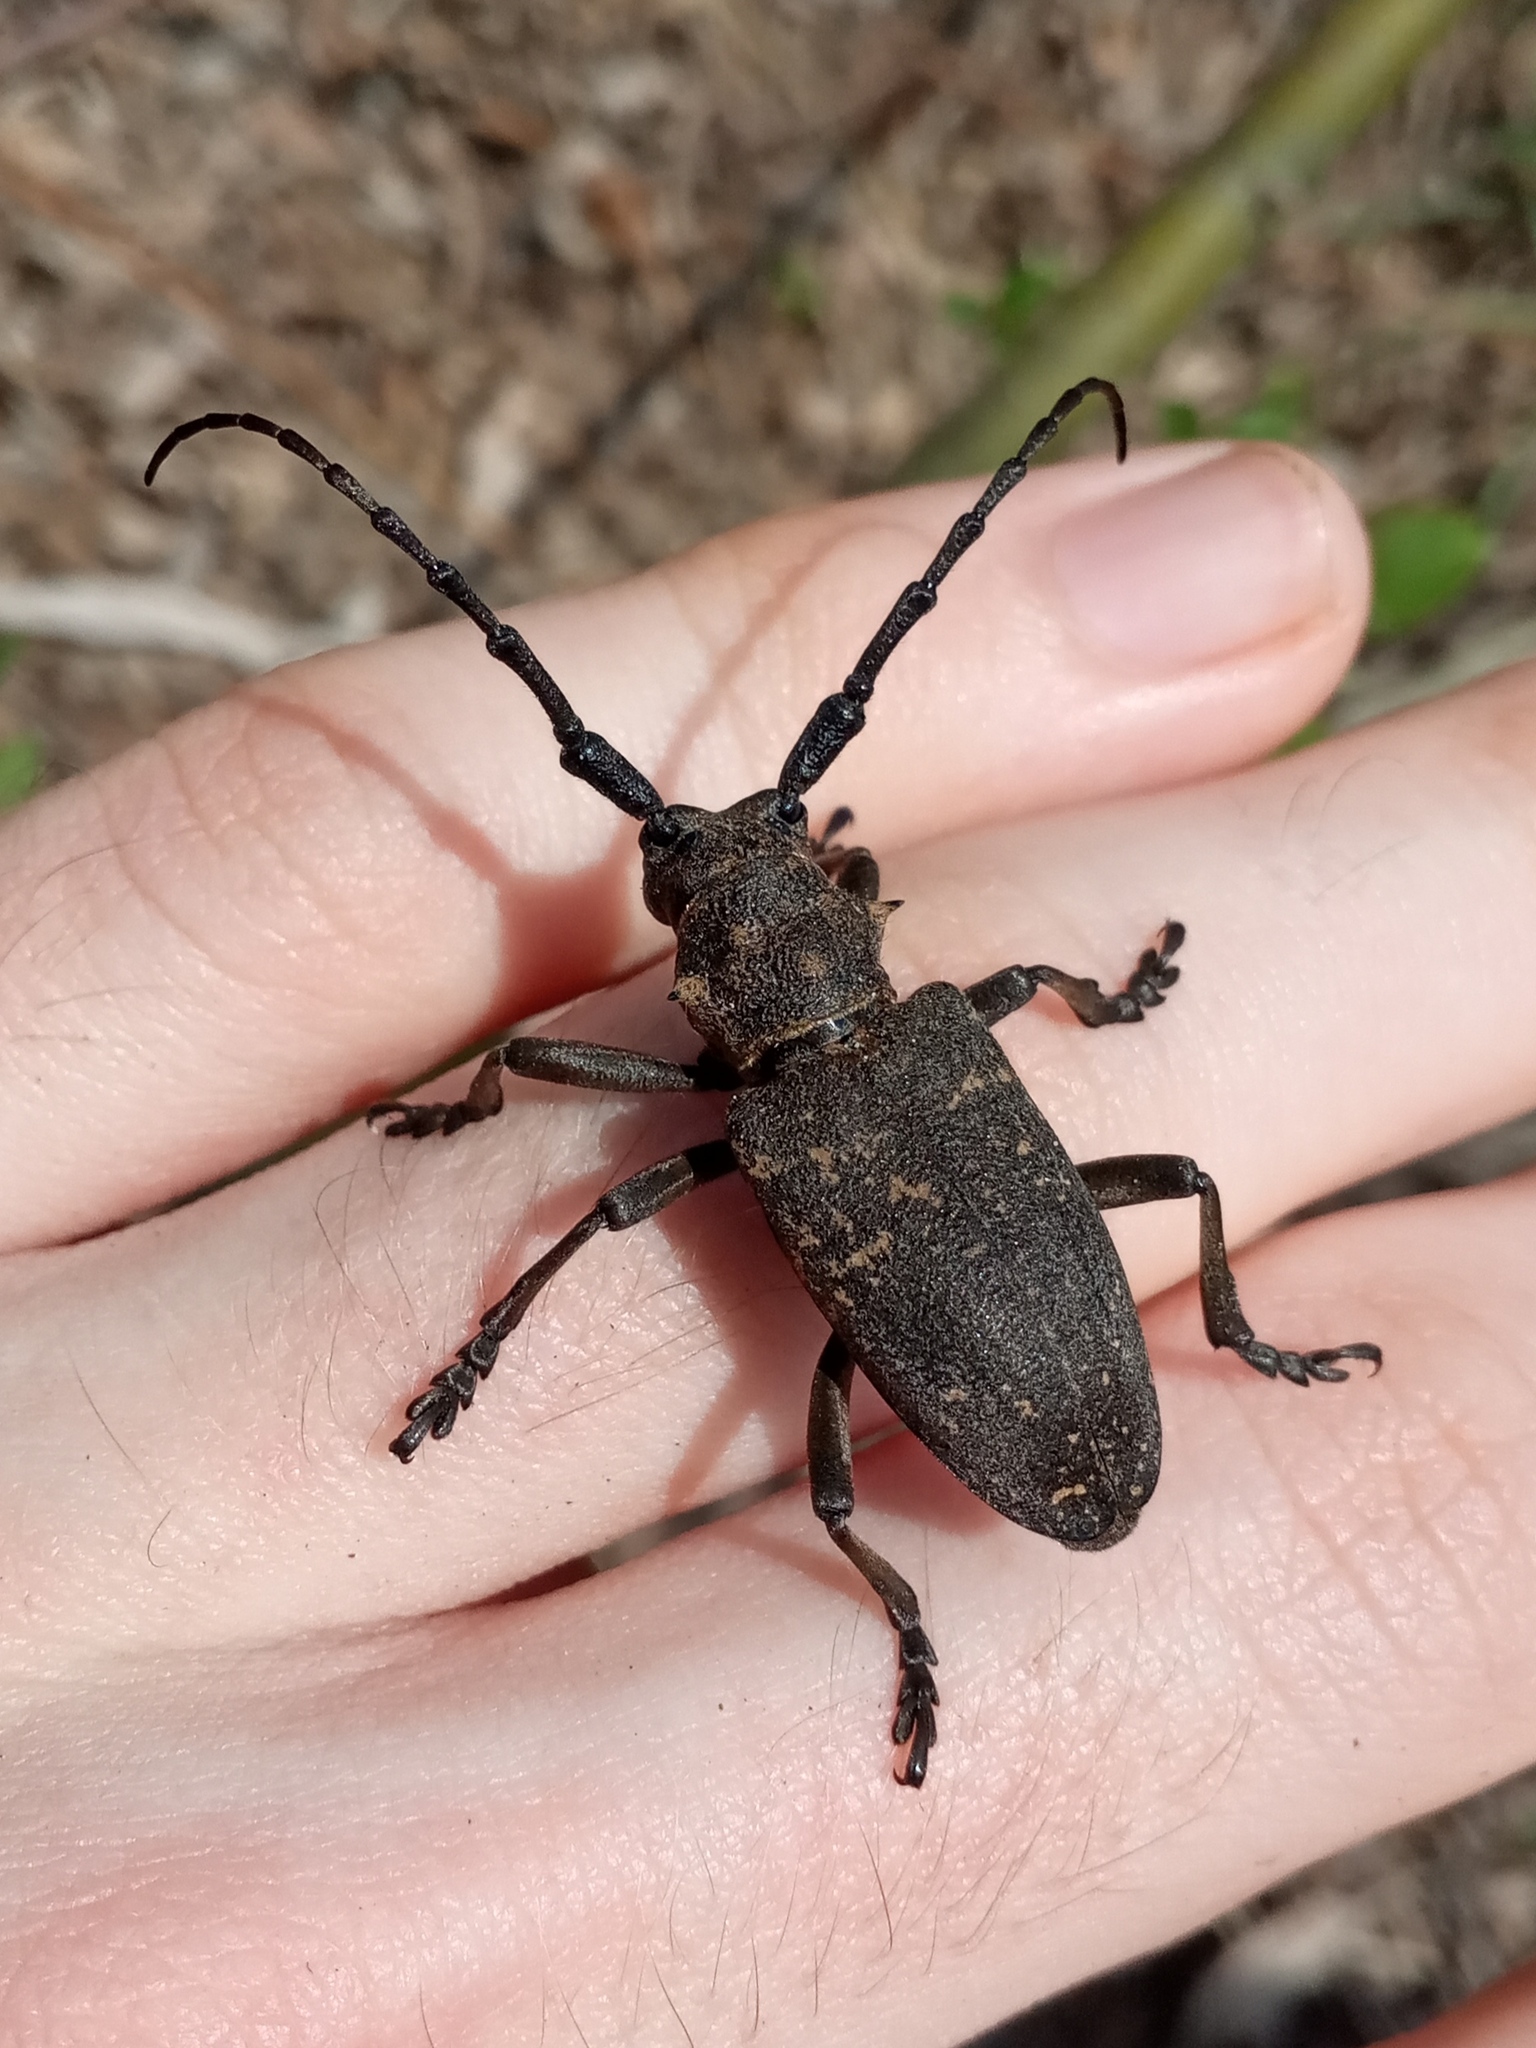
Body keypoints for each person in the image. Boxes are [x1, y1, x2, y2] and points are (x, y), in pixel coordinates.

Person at [0, 427, 1530, 2048]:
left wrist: (476, 1315)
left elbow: (601, 1189)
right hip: (1014, 1360)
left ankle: (1056, 1471)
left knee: (713, 1278)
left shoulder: (807, 1088)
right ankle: (918, 1595)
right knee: (1136, 1201)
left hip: (1025, 1382)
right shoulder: (928, 1026)